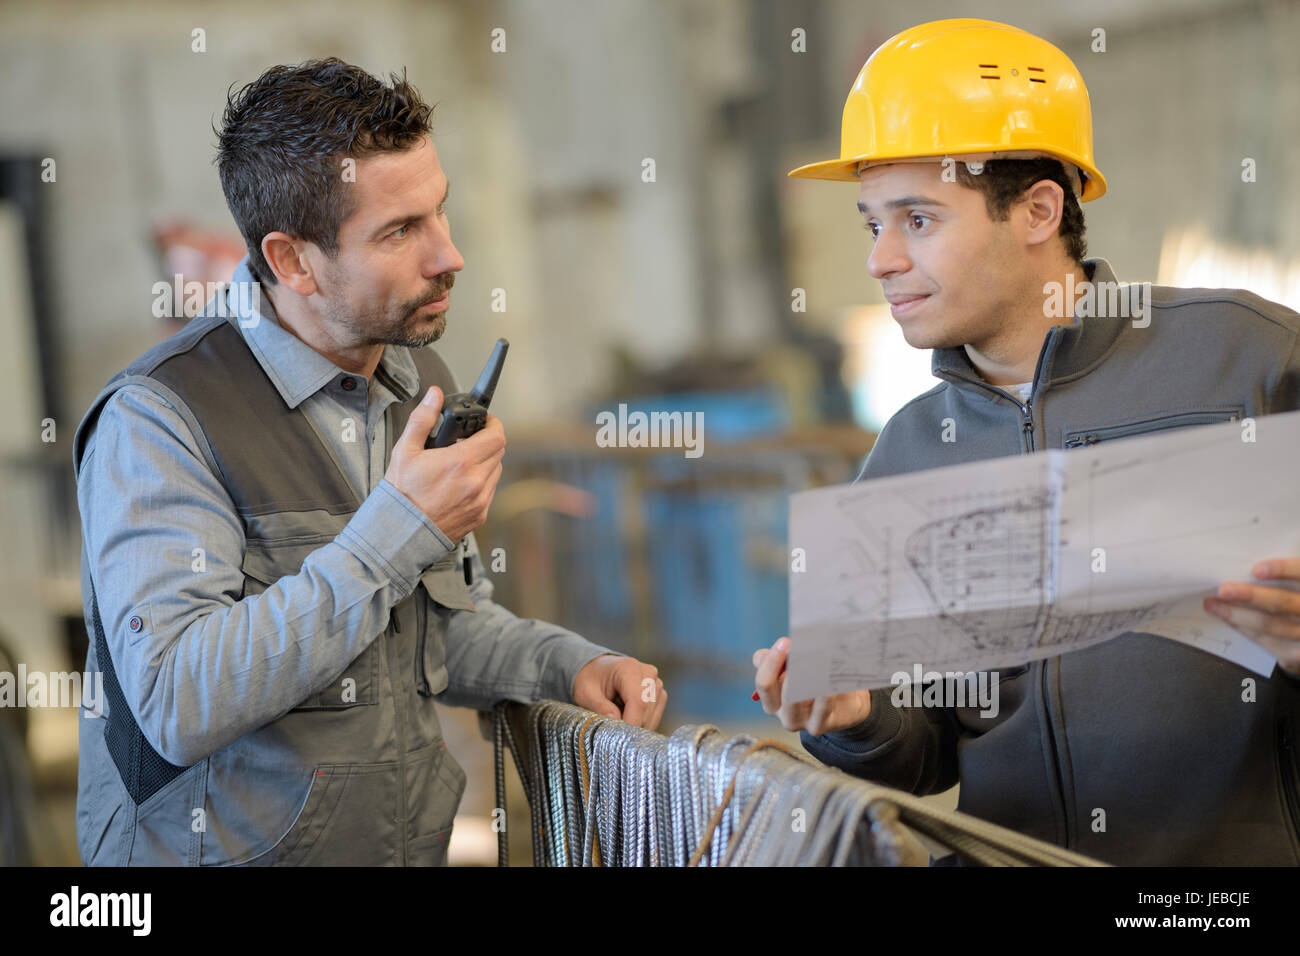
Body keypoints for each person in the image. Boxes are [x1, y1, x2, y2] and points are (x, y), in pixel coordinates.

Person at [73, 57, 666, 866]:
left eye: (439, 214)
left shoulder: (417, 381)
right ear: (292, 262)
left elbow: (427, 635)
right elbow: (177, 700)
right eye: (399, 232)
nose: (448, 257)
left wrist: (565, 666)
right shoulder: (160, 420)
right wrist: (400, 528)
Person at [753, 18, 1300, 865]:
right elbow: (926, 748)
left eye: (919, 220)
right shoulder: (908, 452)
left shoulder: (1249, 362)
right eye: (872, 225)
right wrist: (855, 716)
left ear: (1039, 209)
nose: (882, 259)